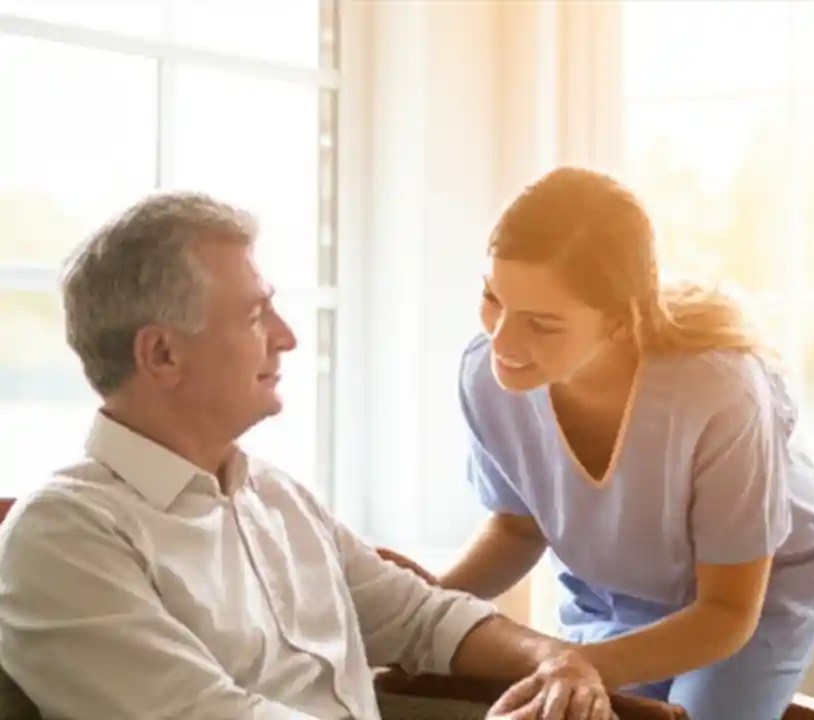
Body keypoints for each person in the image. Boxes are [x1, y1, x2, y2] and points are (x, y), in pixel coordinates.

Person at [0, 192, 611, 720]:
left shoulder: (275, 495)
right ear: (161, 355)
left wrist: (557, 660)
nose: (287, 336)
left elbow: (423, 618)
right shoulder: (64, 536)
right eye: (254, 315)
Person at [437, 167, 814, 719]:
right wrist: (422, 605)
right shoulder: (486, 377)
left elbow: (727, 609)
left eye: (542, 323)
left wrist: (584, 664)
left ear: (620, 321)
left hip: (748, 602)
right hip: (611, 590)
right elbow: (518, 528)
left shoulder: (717, 391)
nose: (503, 340)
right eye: (493, 298)